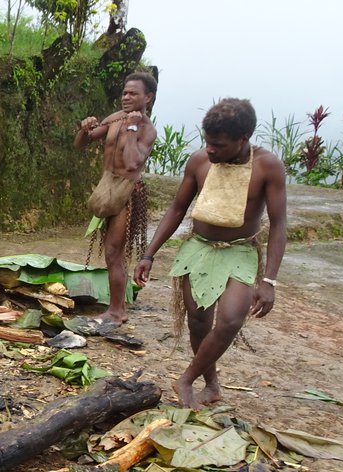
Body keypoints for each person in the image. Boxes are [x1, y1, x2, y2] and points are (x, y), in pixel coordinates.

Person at [134, 98, 287, 410]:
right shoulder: (199, 162)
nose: (210, 150)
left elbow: (279, 224)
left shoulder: (267, 166)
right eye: (207, 142)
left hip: (240, 252)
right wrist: (148, 254)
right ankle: (212, 384)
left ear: (243, 139)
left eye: (218, 145)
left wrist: (269, 280)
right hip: (199, 249)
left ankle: (186, 378)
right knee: (199, 323)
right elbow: (177, 209)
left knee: (230, 319)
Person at [74, 72, 159, 324]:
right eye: (124, 92)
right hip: (106, 187)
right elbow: (82, 143)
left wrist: (132, 127)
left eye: (133, 93)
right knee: (112, 252)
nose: (126, 97)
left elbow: (133, 162)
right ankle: (117, 307)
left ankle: (117, 310)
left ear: (148, 97)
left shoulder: (147, 130)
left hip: (127, 192)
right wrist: (84, 127)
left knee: (114, 251)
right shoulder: (114, 119)